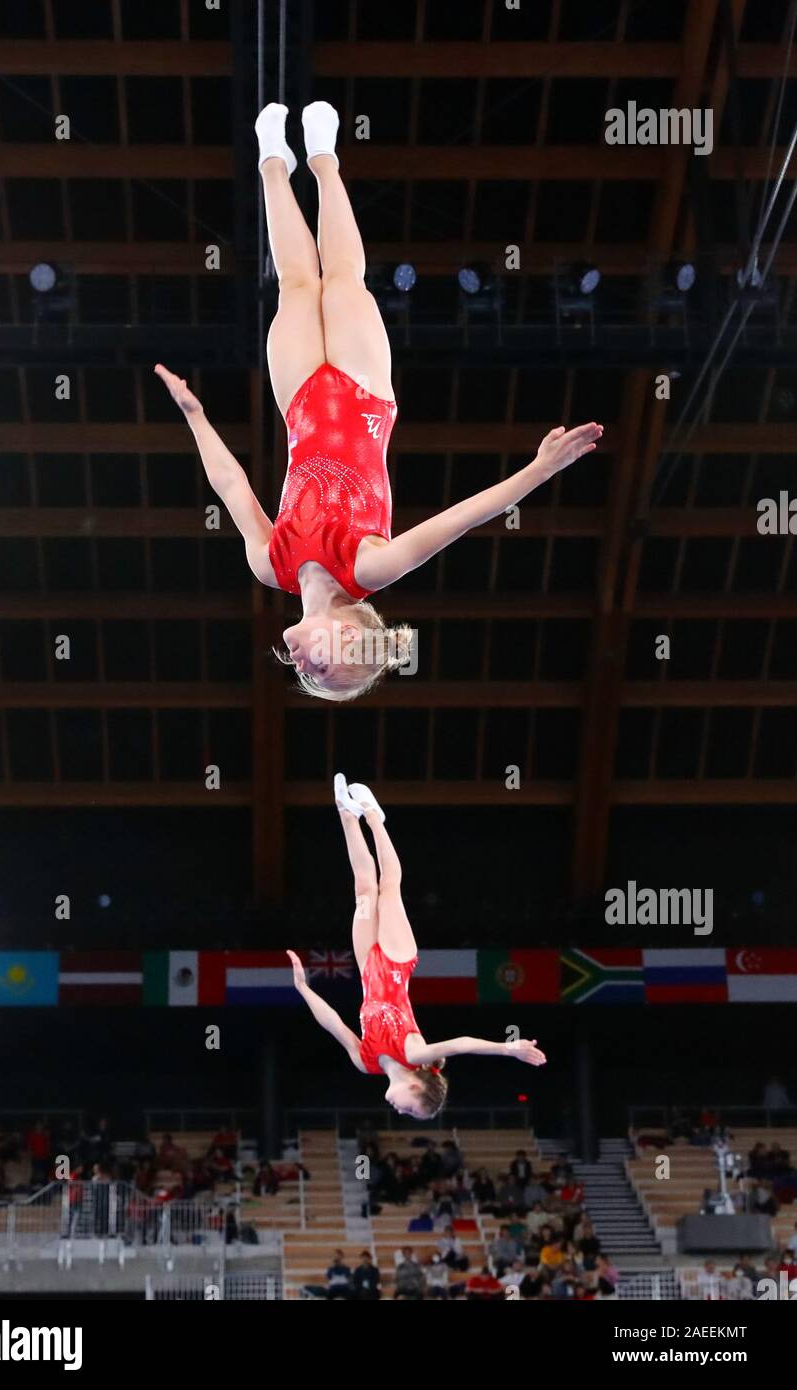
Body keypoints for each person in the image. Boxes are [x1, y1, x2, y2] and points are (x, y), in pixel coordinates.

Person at [156, 102, 603, 704]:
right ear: (345, 634)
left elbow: (231, 488)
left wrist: (196, 418)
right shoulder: (367, 570)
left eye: (308, 680)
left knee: (293, 284)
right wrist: (539, 469)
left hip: (300, 400)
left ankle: (270, 163)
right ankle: (322, 159)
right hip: (363, 393)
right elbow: (463, 518)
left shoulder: (272, 567)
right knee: (342, 277)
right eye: (324, 669)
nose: (305, 670)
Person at [287, 777, 546, 1119]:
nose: (401, 1111)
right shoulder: (416, 1054)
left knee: (364, 890)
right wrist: (507, 1048)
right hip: (396, 961)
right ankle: (374, 817)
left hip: (368, 965)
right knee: (388, 889)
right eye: (411, 1110)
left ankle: (346, 814)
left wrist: (304, 989)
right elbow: (460, 1044)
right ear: (417, 1087)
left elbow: (333, 1024)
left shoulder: (366, 1064)